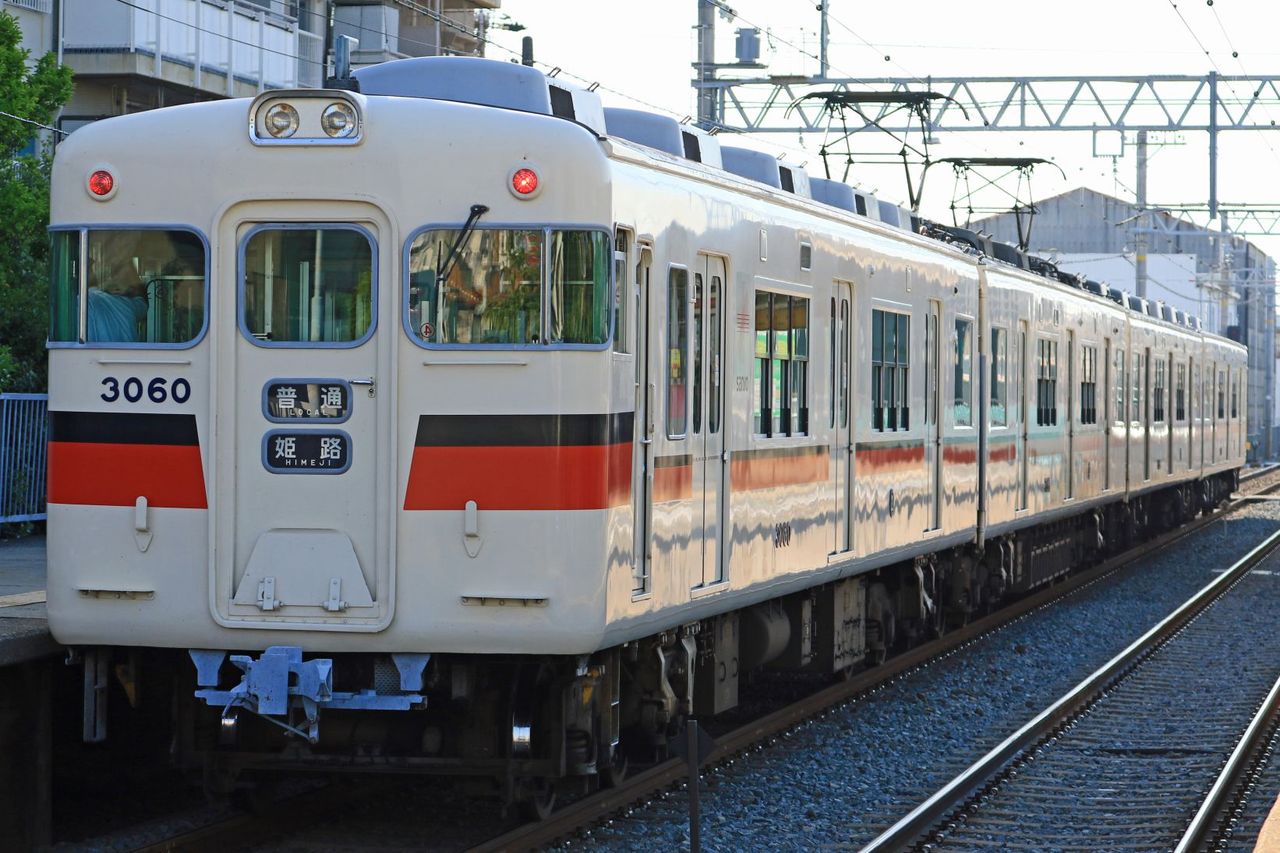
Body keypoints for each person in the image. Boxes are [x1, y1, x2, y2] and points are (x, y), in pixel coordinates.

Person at [87, 237, 148, 343]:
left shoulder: (72, 306)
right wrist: (127, 261)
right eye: (91, 268)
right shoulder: (125, 304)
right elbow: (143, 301)